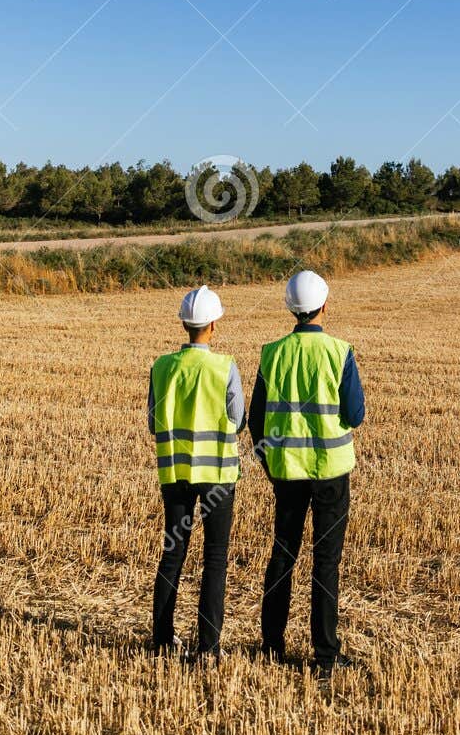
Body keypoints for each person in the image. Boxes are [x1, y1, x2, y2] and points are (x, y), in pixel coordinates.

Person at [249, 269, 365, 675]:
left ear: (290, 309)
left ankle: (271, 646)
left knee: (282, 555)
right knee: (325, 562)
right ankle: (326, 655)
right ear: (324, 305)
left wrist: (269, 462)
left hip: (286, 473)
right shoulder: (340, 351)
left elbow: (256, 421)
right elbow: (355, 414)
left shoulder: (271, 354)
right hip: (331, 472)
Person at [148, 285, 245, 659]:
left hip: (175, 473)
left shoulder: (162, 367)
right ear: (213, 325)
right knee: (215, 557)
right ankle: (208, 646)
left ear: (184, 325)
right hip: (218, 473)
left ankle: (161, 640)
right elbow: (236, 421)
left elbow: (153, 421)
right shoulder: (224, 367)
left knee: (173, 552)